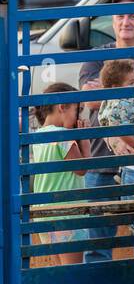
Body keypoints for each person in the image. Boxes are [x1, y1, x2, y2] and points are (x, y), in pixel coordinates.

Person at [78, 0, 134, 262]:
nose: (126, 21)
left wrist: (109, 92)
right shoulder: (96, 56)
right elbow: (90, 99)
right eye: (120, 16)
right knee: (98, 246)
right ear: (112, 22)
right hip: (101, 161)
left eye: (133, 15)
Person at [30, 83, 91, 266]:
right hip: (68, 214)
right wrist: (86, 142)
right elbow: (81, 169)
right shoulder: (63, 136)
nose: (77, 117)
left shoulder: (38, 134)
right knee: (73, 272)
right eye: (76, 110)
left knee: (60, 270)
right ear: (62, 107)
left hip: (45, 213)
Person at [96, 60, 134, 193]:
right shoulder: (121, 104)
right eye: (131, 83)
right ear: (115, 87)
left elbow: (104, 122)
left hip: (132, 133)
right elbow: (119, 130)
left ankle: (127, 180)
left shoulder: (109, 101)